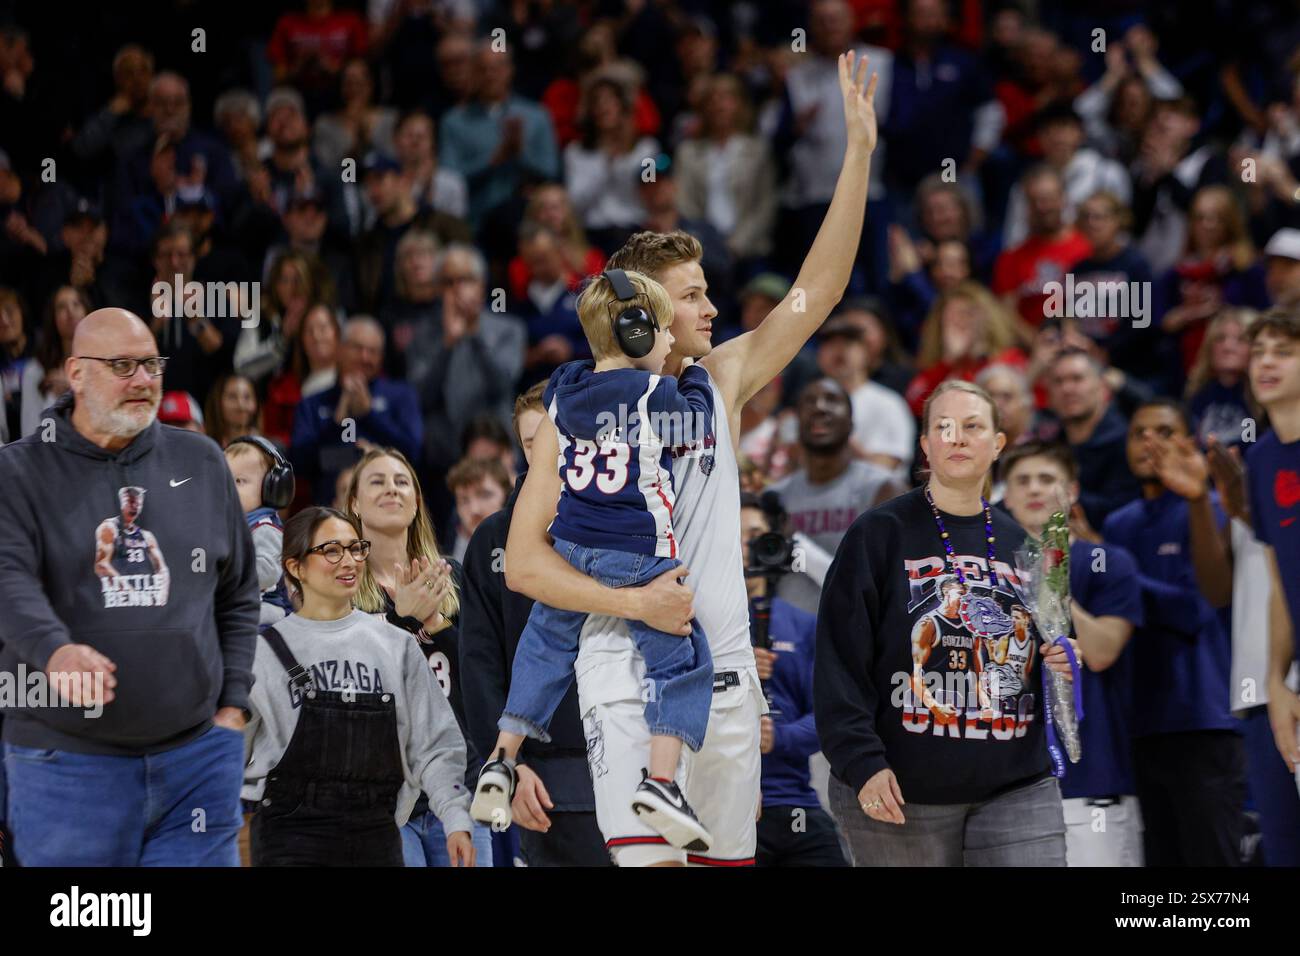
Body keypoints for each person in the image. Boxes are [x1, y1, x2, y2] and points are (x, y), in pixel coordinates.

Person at [504, 51, 879, 867]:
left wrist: (857, 157)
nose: (713, 306)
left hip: (729, 676)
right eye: (694, 293)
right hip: (625, 672)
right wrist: (634, 605)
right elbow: (525, 566)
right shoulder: (575, 411)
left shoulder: (720, 381)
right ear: (644, 310)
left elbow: (821, 290)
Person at [0, 307, 257, 866]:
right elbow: (7, 581)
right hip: (66, 766)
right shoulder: (18, 472)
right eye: (122, 366)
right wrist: (55, 650)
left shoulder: (203, 460)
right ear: (76, 373)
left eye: (150, 364)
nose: (143, 380)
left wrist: (233, 704)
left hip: (197, 759)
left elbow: (238, 593)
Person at [472, 270, 716, 851]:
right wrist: (698, 376)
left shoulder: (563, 390)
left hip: (573, 550)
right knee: (681, 660)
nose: (669, 343)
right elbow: (697, 421)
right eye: (661, 333)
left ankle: (501, 759)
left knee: (545, 646)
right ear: (637, 337)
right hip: (636, 554)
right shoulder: (656, 393)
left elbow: (574, 373)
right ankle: (662, 784)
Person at [816, 381, 1077, 866]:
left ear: (999, 443)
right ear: (925, 445)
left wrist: (1064, 661)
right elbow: (838, 664)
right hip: (900, 789)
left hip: (1016, 786)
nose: (957, 438)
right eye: (944, 427)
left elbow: (1052, 656)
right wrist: (862, 763)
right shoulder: (877, 535)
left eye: (973, 426)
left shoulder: (1029, 546)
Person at [242, 506, 475, 867]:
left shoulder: (396, 645)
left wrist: (456, 818)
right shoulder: (262, 652)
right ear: (295, 567)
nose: (348, 561)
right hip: (288, 842)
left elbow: (436, 744)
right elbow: (229, 755)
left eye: (356, 548)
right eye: (331, 551)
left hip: (377, 839)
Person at [460, 382, 611, 866]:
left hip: (634, 757)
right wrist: (508, 765)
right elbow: (480, 666)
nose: (547, 451)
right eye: (532, 443)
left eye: (557, 436)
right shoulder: (492, 542)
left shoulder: (630, 521)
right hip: (547, 777)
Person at [1101, 399, 1245, 866]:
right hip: (1139, 722)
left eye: (1164, 431)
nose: (1148, 441)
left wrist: (1114, 568)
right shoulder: (1117, 524)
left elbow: (1193, 608)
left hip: (1202, 718)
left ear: (1186, 441)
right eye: (1138, 432)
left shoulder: (1212, 507)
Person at [340, 446, 493, 867]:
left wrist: (437, 624)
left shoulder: (453, 576)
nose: (392, 489)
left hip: (458, 790)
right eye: (377, 481)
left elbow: (481, 681)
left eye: (401, 481)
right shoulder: (342, 588)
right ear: (354, 503)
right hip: (382, 796)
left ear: (417, 500)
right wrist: (403, 619)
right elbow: (351, 689)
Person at [1000, 441, 1146, 866]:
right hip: (1005, 794)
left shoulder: (1107, 561)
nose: (1034, 489)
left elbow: (1101, 652)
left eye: (1047, 479)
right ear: (1004, 496)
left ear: (1072, 491)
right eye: (1022, 480)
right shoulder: (985, 574)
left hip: (1092, 786)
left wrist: (1053, 581)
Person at [741, 494, 848, 867]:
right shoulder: (695, 620)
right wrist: (732, 674)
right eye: (734, 535)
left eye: (754, 534)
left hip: (794, 804)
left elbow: (826, 720)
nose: (744, 545)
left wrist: (778, 737)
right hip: (724, 801)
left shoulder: (803, 626)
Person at [770, 377, 903, 616]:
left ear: (852, 424)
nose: (819, 407)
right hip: (788, 643)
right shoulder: (774, 497)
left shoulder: (884, 489)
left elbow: (877, 583)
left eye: (832, 400)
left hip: (855, 634)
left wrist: (796, 543)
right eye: (809, 402)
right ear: (797, 422)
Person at [1245, 308, 1300, 862]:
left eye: (1283, 351)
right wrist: (1277, 683)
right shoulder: (1260, 459)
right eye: (1258, 351)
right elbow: (1279, 583)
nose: (1265, 361)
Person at [290, 316, 422, 504]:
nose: (365, 357)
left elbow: (413, 453)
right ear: (340, 349)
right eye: (358, 348)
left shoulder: (401, 395)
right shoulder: (313, 403)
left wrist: (370, 416)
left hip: (389, 504)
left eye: (373, 352)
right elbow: (300, 464)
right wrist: (338, 424)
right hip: (330, 510)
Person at [815, 309, 915, 473]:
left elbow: (886, 469)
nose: (839, 350)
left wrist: (841, 438)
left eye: (848, 343)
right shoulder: (809, 403)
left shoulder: (888, 403)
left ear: (866, 354)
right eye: (830, 343)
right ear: (819, 356)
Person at [224, 436, 294, 628]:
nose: (229, 488)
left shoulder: (265, 528)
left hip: (269, 610)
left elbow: (268, 572)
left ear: (271, 488)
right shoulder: (228, 524)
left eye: (240, 481)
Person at [445, 457, 512, 563]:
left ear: (507, 497)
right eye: (464, 500)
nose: (474, 510)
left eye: (485, 495)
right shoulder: (448, 555)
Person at [205, 373, 260, 448]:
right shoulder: (206, 448)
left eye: (247, 397)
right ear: (217, 402)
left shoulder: (270, 449)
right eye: (232, 397)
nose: (241, 405)